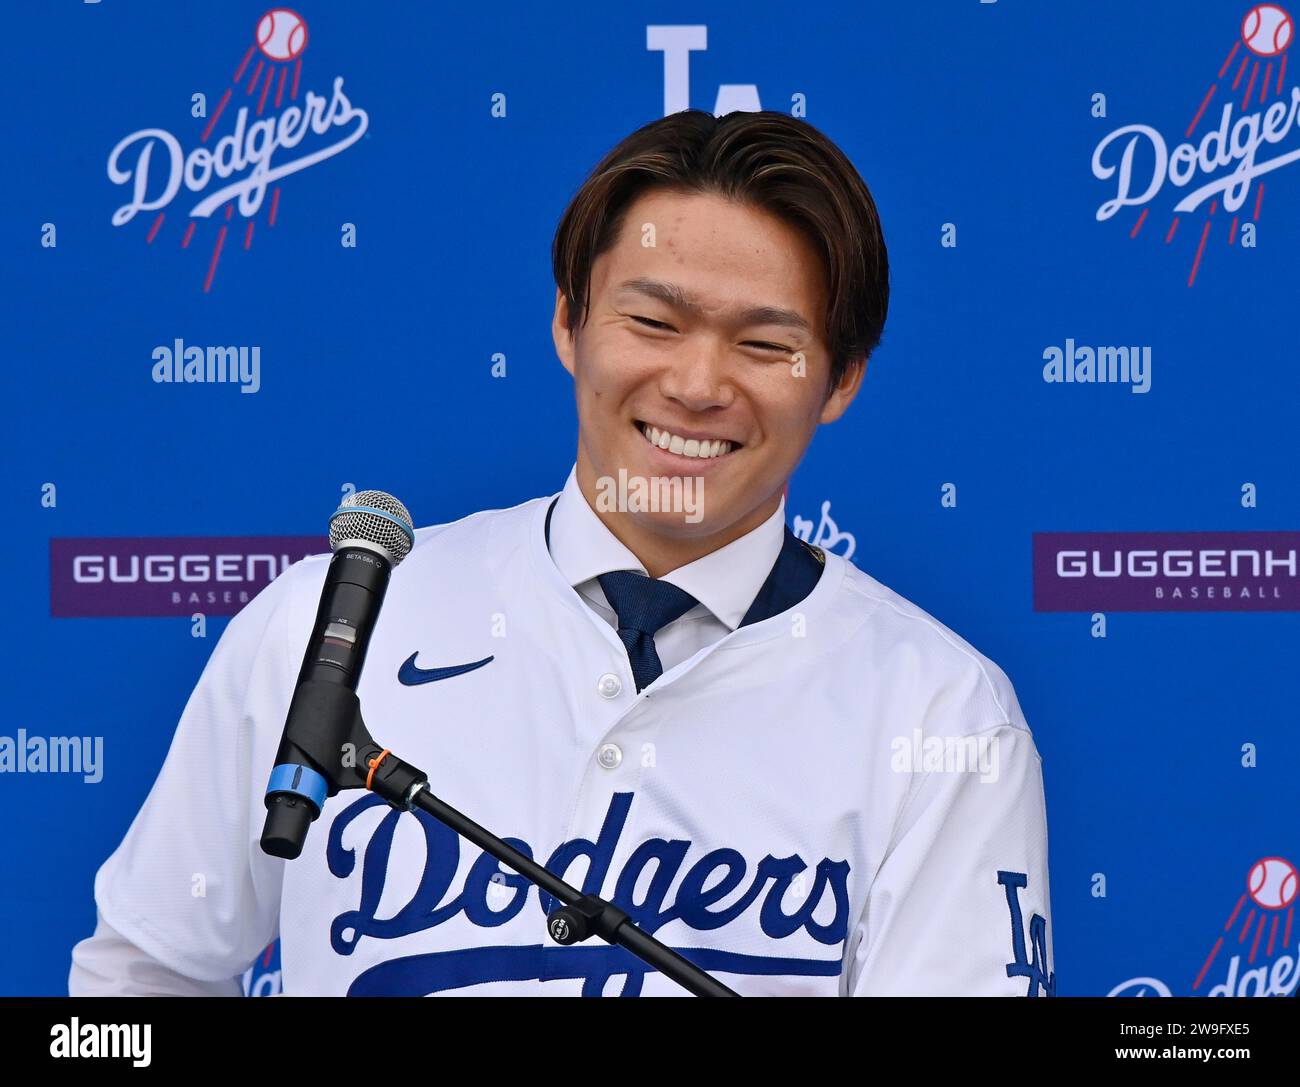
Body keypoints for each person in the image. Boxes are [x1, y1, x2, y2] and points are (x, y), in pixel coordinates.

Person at [70, 109, 1054, 997]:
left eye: (762, 344)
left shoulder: (941, 711)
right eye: (653, 321)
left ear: (839, 380)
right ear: (568, 323)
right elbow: (135, 985)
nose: (698, 382)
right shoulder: (332, 624)